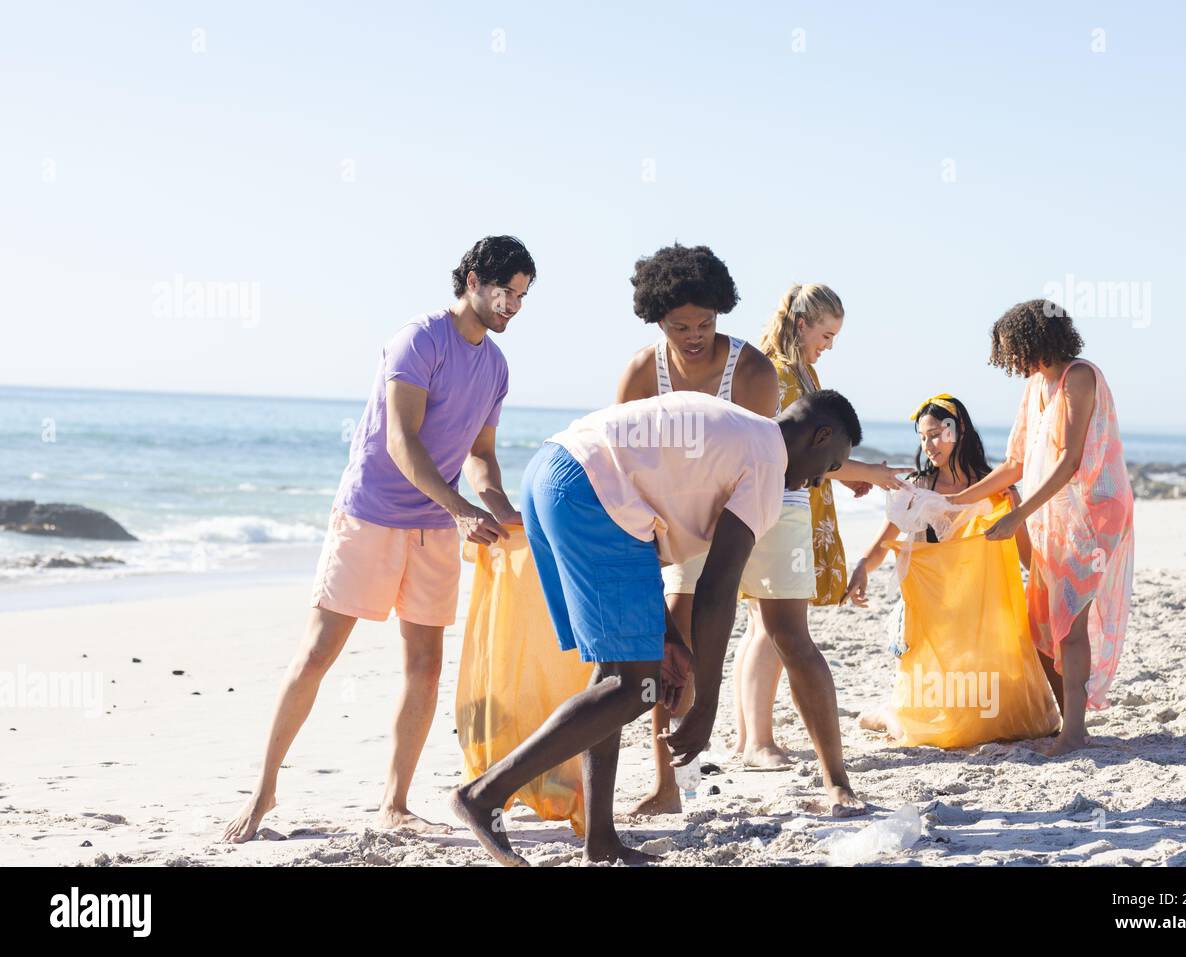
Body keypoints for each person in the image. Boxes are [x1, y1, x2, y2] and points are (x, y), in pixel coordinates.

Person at [451, 388, 863, 865]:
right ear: (821, 435)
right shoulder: (769, 466)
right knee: (635, 685)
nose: (817, 482)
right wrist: (706, 705)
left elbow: (642, 529)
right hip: (591, 493)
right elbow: (716, 588)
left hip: (552, 472)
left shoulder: (740, 427)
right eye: (830, 465)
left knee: (615, 677)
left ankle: (600, 841)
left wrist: (665, 633)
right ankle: (483, 795)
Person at [222, 236, 536, 843]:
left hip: (433, 527)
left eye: (523, 296)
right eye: (506, 291)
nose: (513, 306)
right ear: (472, 279)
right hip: (370, 513)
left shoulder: (495, 366)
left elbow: (483, 458)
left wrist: (499, 507)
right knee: (318, 654)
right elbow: (402, 441)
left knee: (424, 665)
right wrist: (462, 511)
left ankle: (394, 803)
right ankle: (263, 792)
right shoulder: (419, 339)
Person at [612, 242, 776, 815]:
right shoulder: (642, 371)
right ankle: (665, 784)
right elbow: (620, 462)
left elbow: (761, 463)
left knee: (787, 633)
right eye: (680, 325)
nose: (695, 335)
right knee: (671, 647)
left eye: (705, 323)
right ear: (658, 320)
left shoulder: (751, 371)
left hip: (741, 516)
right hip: (672, 525)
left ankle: (833, 777)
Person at [729, 284, 902, 811]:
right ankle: (756, 739)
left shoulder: (802, 371)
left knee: (764, 622)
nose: (828, 344)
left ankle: (747, 736)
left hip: (799, 502)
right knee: (774, 621)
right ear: (801, 322)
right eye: (825, 334)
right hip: (779, 505)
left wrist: (843, 477)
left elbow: (817, 449)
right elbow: (787, 451)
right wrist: (867, 470)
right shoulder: (778, 374)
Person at [950, 300, 1135, 755]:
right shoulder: (1035, 386)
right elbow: (1015, 463)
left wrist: (1015, 517)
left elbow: (1071, 462)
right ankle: (1065, 722)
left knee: (1069, 622)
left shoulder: (1079, 377)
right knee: (1041, 624)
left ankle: (1074, 733)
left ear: (1035, 341)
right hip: (1050, 514)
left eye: (1013, 350)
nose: (1011, 361)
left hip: (1093, 515)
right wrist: (956, 501)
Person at [844, 394, 1060, 747]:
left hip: (985, 610)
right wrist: (862, 568)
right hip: (935, 611)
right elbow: (884, 542)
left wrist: (1055, 586)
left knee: (1026, 723)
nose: (928, 445)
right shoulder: (918, 488)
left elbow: (1026, 556)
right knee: (930, 732)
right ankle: (887, 713)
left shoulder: (997, 489)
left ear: (956, 431)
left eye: (934, 435)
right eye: (922, 438)